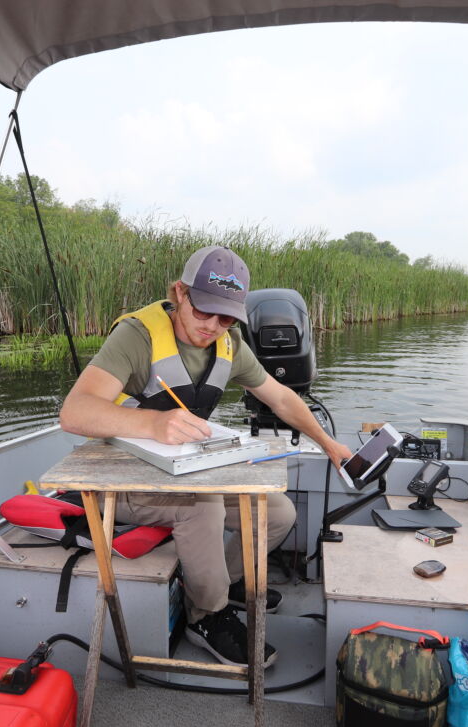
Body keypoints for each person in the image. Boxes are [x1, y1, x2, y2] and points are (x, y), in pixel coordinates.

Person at [59, 245, 353, 668]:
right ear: (180, 292)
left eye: (227, 317)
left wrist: (328, 443)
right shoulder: (137, 337)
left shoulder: (229, 344)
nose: (213, 326)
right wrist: (152, 424)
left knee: (278, 513)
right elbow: (74, 412)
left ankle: (223, 585)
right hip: (123, 485)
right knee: (204, 504)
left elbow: (281, 398)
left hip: (184, 475)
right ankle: (205, 616)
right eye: (203, 311)